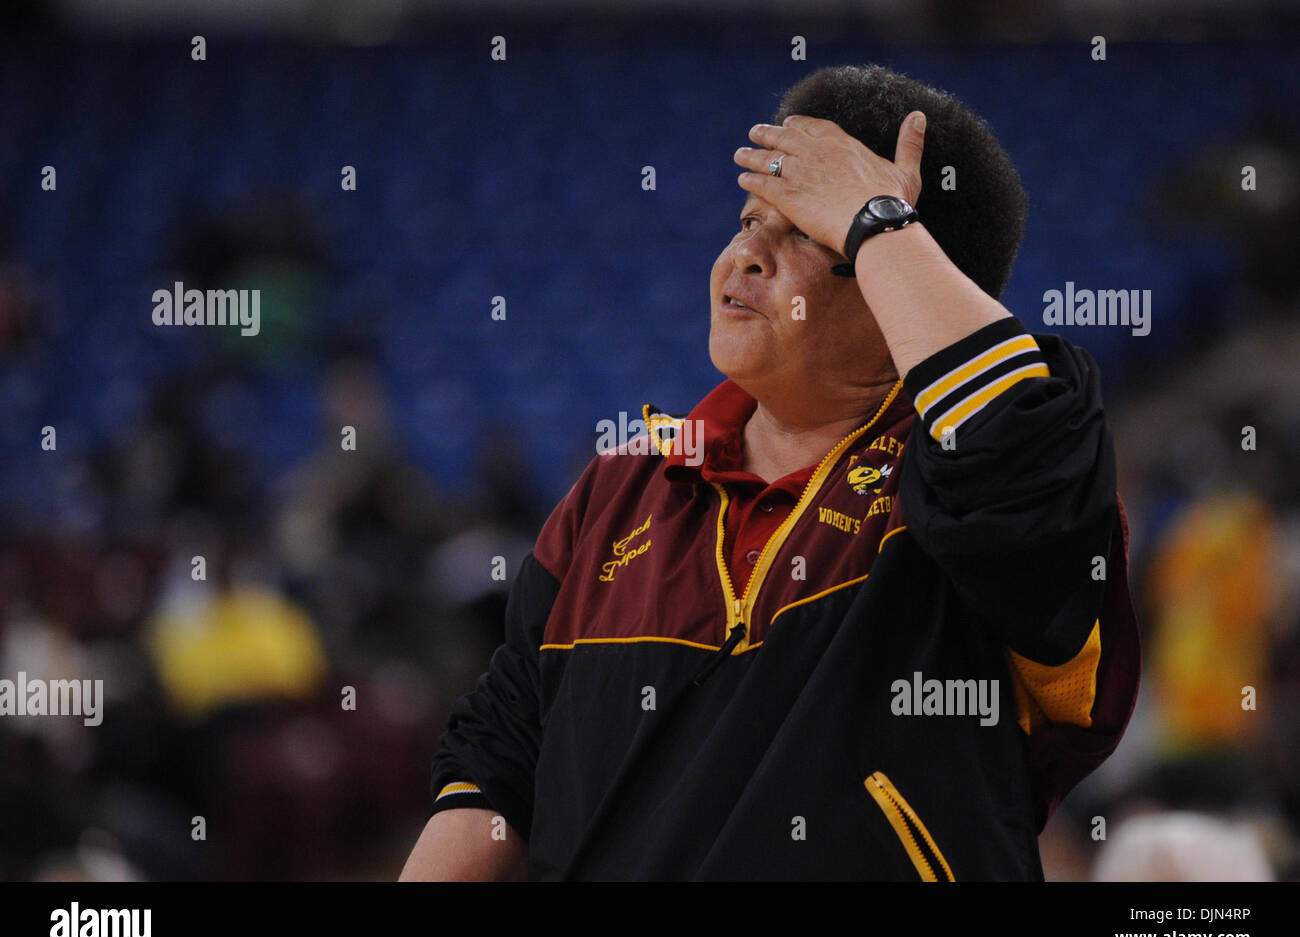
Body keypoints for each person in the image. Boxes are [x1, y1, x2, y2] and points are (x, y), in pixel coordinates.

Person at [400, 63, 1141, 881]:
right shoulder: (617, 491)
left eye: (805, 230)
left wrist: (879, 220)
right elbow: (499, 758)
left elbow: (1012, 445)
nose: (746, 255)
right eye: (748, 220)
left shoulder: (994, 466)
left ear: (908, 275)